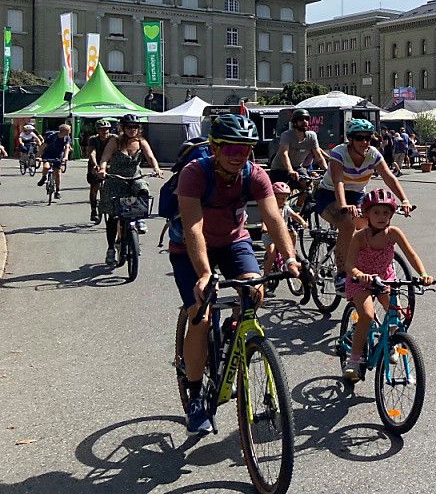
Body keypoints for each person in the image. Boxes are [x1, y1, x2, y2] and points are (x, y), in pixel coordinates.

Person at [173, 114, 300, 434]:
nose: (238, 155)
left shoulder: (255, 175)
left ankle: (233, 328)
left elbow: (274, 219)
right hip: (190, 248)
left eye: (244, 149)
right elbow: (193, 227)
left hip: (233, 243)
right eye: (231, 149)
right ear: (215, 148)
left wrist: (292, 260)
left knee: (254, 291)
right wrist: (203, 273)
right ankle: (197, 392)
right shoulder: (194, 174)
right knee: (200, 316)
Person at [311, 118, 412, 292]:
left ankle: (360, 263)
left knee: (369, 227)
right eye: (359, 138)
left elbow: (389, 177)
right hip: (329, 194)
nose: (364, 142)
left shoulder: (373, 154)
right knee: (348, 224)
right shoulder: (339, 153)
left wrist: (404, 200)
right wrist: (343, 205)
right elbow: (338, 182)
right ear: (350, 139)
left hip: (356, 194)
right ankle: (342, 274)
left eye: (368, 138)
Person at [342, 188, 433, 380]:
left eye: (386, 212)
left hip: (385, 279)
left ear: (392, 214)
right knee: (366, 315)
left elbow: (411, 255)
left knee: (396, 315)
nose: (381, 217)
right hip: (361, 281)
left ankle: (390, 343)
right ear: (367, 214)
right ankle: (354, 359)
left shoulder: (393, 233)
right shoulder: (359, 236)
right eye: (376, 212)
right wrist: (360, 274)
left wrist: (423, 274)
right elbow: (348, 264)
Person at [97, 115, 163, 265]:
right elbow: (105, 157)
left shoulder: (141, 142)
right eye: (129, 127)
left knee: (142, 189)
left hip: (134, 177)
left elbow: (151, 157)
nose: (132, 130)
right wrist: (102, 169)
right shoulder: (115, 141)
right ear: (122, 127)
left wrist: (157, 169)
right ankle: (111, 249)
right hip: (115, 179)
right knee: (113, 217)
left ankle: (139, 219)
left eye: (135, 127)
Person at [269, 108, 328, 184]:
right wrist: (290, 170)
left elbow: (318, 156)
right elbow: (284, 153)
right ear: (295, 122)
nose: (304, 121)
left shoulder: (312, 136)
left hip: (297, 167)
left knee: (308, 185)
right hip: (279, 169)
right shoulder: (287, 135)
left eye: (306, 119)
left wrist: (327, 170)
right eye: (301, 119)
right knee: (281, 191)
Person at [262, 180, 307, 281]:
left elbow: (295, 215)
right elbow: (265, 220)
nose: (282, 200)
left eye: (285, 198)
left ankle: (291, 255)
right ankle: (265, 277)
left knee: (293, 234)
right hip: (269, 236)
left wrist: (303, 222)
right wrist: (264, 228)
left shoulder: (285, 208)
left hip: (282, 235)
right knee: (272, 254)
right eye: (279, 198)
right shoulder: (270, 208)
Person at [86, 119, 113, 223]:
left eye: (106, 129)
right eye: (102, 129)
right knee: (95, 187)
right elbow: (92, 152)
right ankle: (93, 210)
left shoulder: (113, 138)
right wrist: (95, 164)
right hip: (95, 163)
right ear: (98, 130)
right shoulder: (93, 139)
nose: (105, 131)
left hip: (110, 163)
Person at [36, 124, 73, 197]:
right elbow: (43, 146)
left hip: (58, 155)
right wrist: (38, 155)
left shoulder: (67, 138)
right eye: (69, 130)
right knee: (46, 167)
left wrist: (65, 157)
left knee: (58, 172)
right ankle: (44, 177)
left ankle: (57, 191)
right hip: (48, 153)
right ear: (63, 131)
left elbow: (67, 147)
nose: (70, 132)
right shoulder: (52, 136)